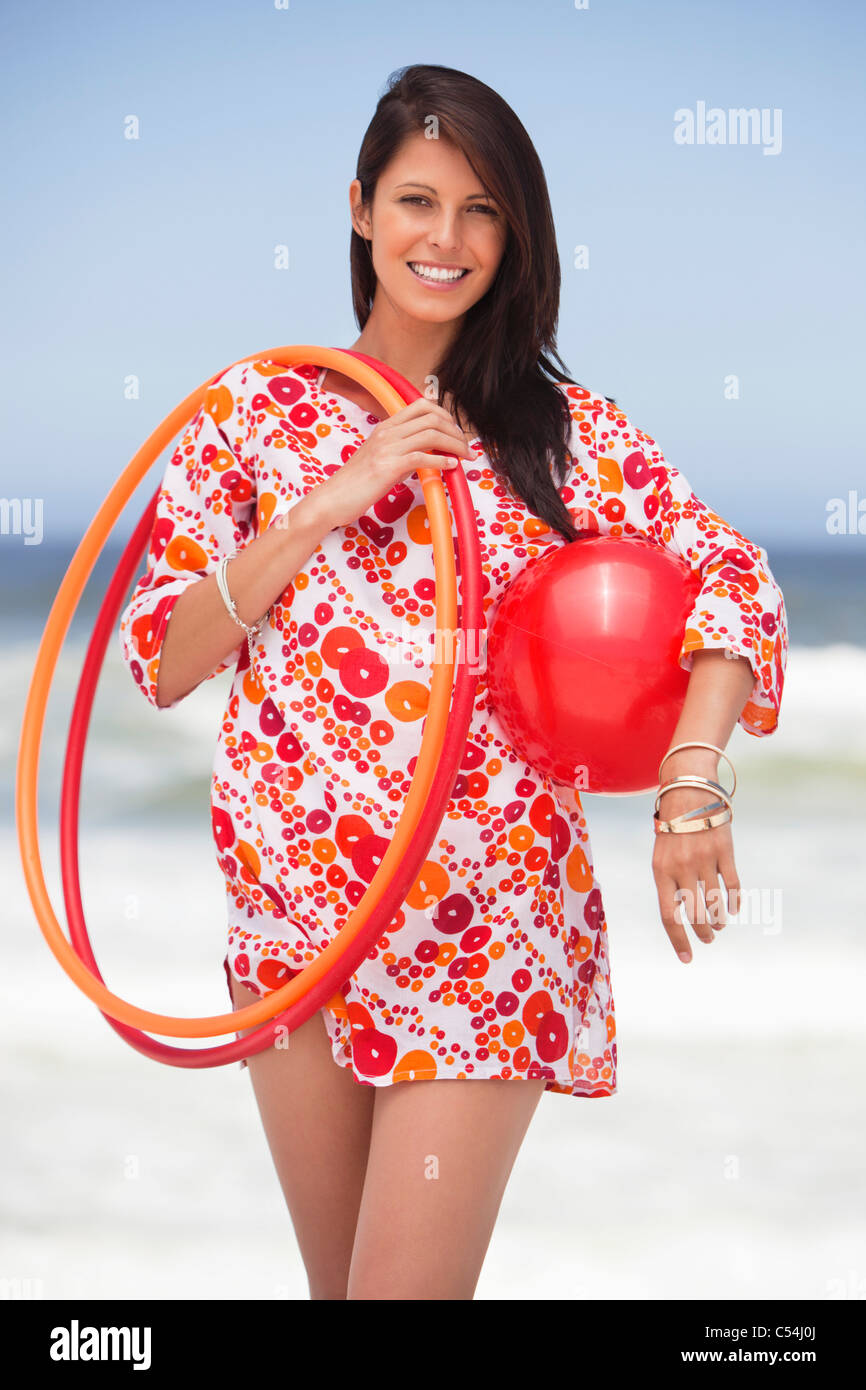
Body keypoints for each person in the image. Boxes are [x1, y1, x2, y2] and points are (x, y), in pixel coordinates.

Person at [118, 63, 788, 1300]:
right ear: (361, 207)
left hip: (484, 926)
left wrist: (690, 781)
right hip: (292, 922)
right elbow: (163, 658)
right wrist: (329, 502)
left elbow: (731, 582)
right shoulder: (249, 412)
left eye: (481, 210)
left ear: (513, 233)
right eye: (417, 200)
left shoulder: (560, 429)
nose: (445, 238)